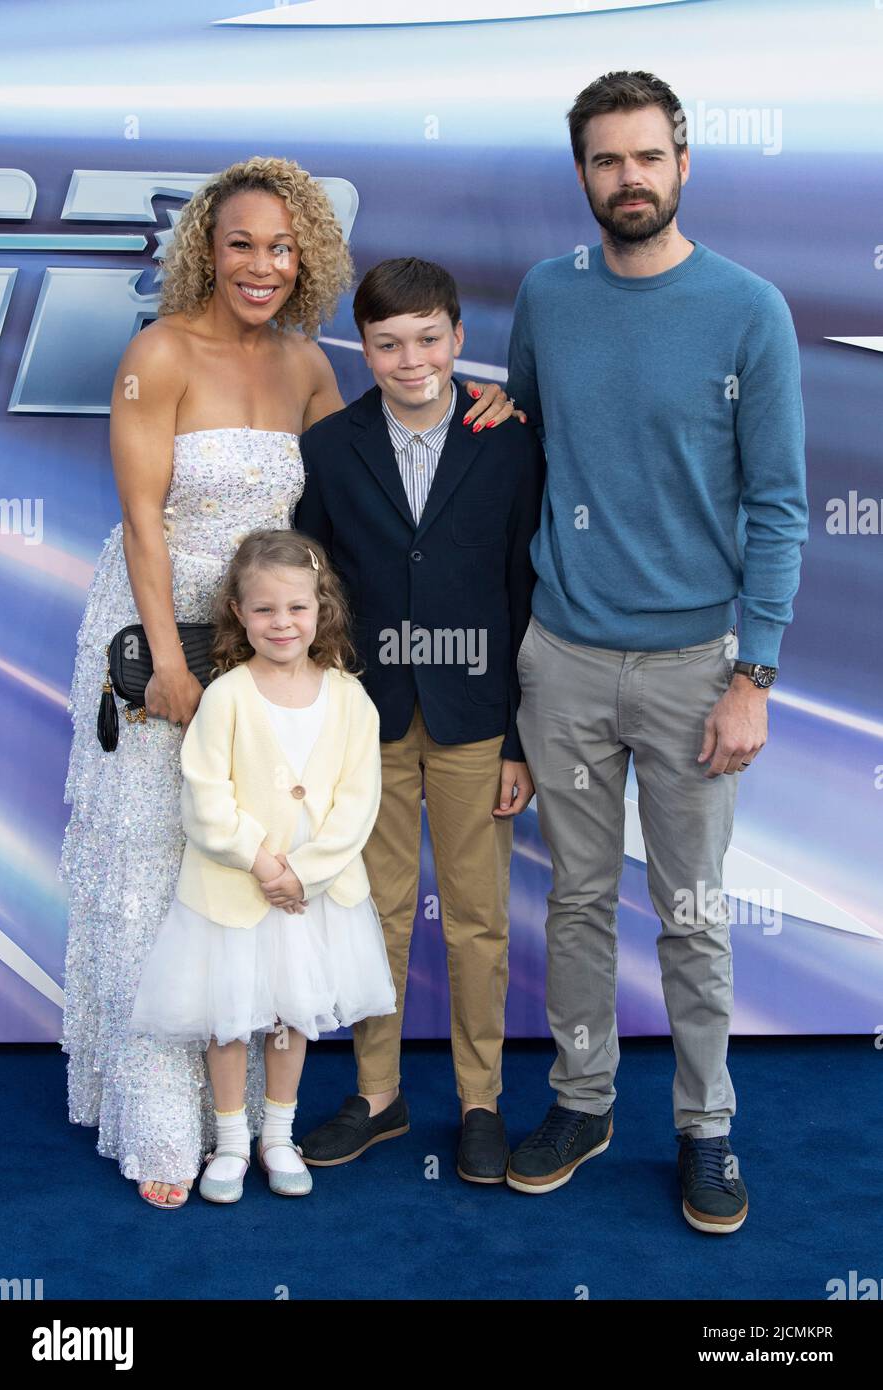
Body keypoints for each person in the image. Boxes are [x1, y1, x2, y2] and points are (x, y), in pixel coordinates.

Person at [58, 155, 509, 1211]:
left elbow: (365, 466)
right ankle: (162, 1121)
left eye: (281, 246)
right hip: (164, 644)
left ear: (302, 255)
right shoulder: (159, 352)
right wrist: (172, 659)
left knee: (241, 871)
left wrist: (473, 404)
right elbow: (139, 521)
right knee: (159, 869)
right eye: (241, 244)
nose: (261, 264)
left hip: (275, 657)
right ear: (205, 251)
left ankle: (254, 1123)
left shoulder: (310, 365)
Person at [504, 71, 808, 1231]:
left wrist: (753, 675)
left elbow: (778, 506)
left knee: (690, 910)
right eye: (603, 161)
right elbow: (525, 443)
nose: (626, 179)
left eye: (646, 157)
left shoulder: (748, 310)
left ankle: (705, 1128)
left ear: (684, 164)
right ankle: (582, 1100)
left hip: (696, 670)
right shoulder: (545, 294)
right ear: (580, 173)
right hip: (564, 659)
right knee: (577, 902)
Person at [295, 257, 545, 1183]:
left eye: (428, 339)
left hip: (477, 716)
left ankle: (480, 1100)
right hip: (370, 718)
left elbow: (524, 589)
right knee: (376, 913)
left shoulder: (509, 439)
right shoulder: (328, 447)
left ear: (458, 338)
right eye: (387, 343)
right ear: (359, 346)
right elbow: (317, 595)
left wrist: (520, 736)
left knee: (478, 917)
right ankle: (378, 1094)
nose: (410, 360)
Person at [128, 530, 395, 1202]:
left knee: (289, 1013)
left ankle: (278, 1136)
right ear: (239, 615)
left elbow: (357, 803)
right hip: (232, 892)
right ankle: (229, 1143)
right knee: (227, 1015)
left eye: (296, 608)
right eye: (265, 610)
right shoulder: (227, 697)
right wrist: (262, 863)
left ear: (320, 609)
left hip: (311, 896)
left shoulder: (349, 699)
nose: (282, 623)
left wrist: (304, 872)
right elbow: (205, 797)